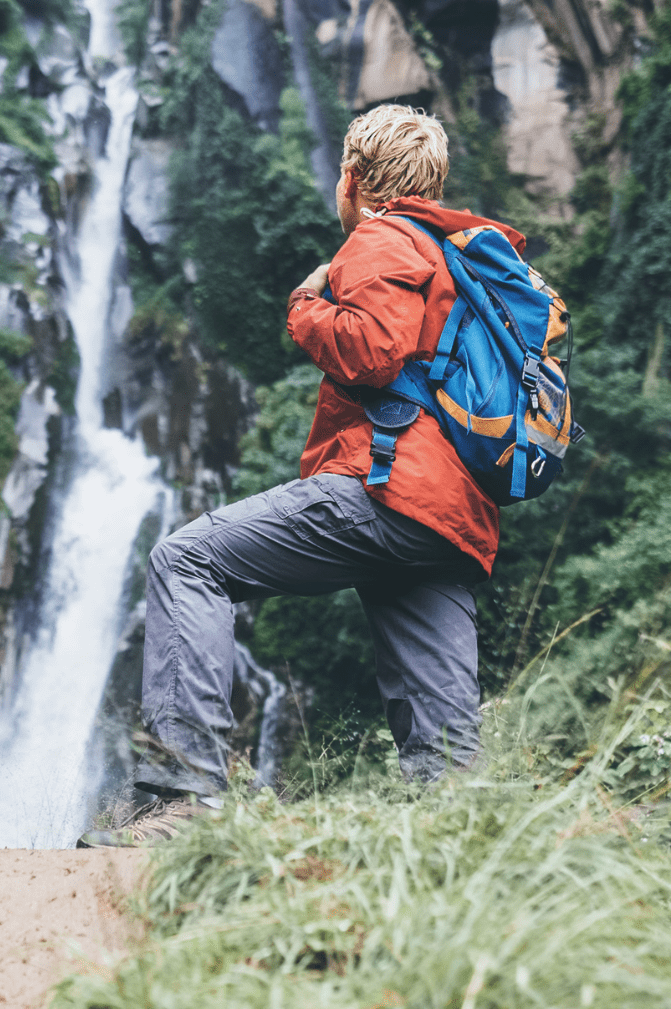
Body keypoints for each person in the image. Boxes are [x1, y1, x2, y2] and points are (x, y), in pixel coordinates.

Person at [81, 103, 524, 847]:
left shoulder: (382, 236)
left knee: (186, 561)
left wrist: (307, 303)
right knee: (449, 765)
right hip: (453, 518)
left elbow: (373, 350)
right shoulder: (461, 259)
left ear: (352, 175)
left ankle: (185, 797)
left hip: (385, 488)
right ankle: (463, 848)